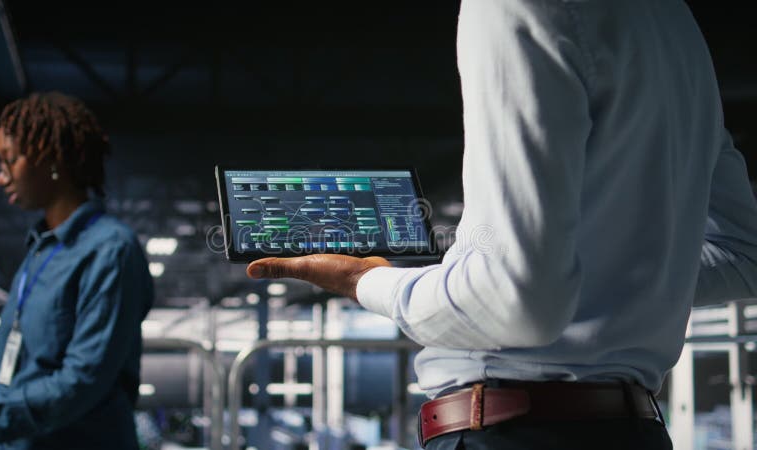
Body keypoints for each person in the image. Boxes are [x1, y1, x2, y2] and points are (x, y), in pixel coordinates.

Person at [246, 0, 757, 449]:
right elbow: (745, 256)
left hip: (515, 431)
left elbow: (515, 303)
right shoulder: (672, 19)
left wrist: (367, 281)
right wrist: (575, 270)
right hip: (633, 431)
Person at [0, 92, 154, 449]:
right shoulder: (40, 249)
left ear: (51, 159)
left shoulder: (111, 249)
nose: (1, 177)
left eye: (10, 160)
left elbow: (79, 382)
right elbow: (15, 380)